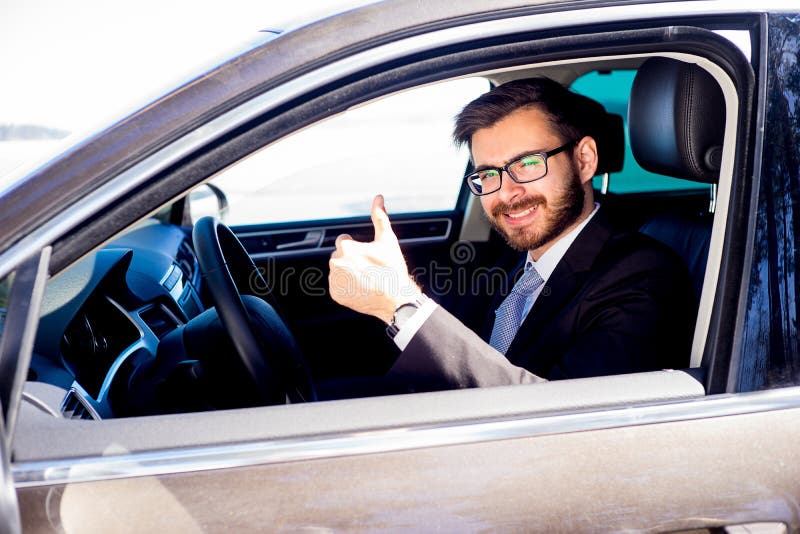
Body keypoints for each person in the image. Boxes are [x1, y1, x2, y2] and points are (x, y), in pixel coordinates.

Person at [328, 77, 697, 392]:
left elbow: (566, 420)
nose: (506, 193)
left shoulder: (645, 276)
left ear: (584, 160)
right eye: (489, 174)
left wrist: (401, 305)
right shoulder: (514, 262)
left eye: (528, 164)